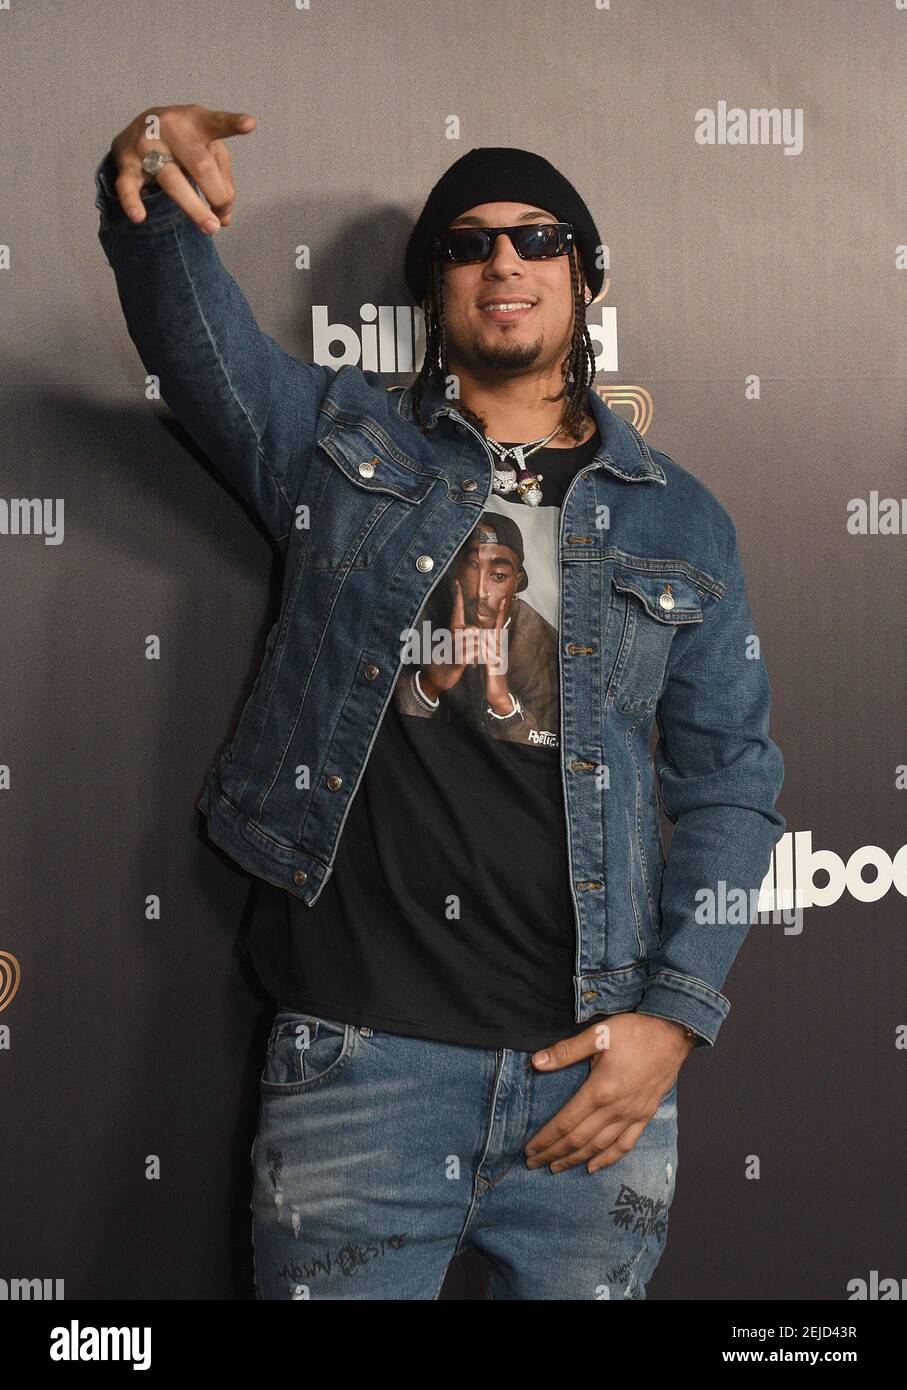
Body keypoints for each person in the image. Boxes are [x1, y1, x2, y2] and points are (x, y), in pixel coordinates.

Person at [95, 105, 785, 1300]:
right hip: (359, 1070)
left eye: (537, 236)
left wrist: (671, 1022)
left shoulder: (683, 520)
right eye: (467, 244)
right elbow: (192, 343)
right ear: (434, 289)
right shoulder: (336, 442)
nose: (502, 260)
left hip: (593, 1083)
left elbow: (733, 785)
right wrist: (148, 189)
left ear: (584, 275)